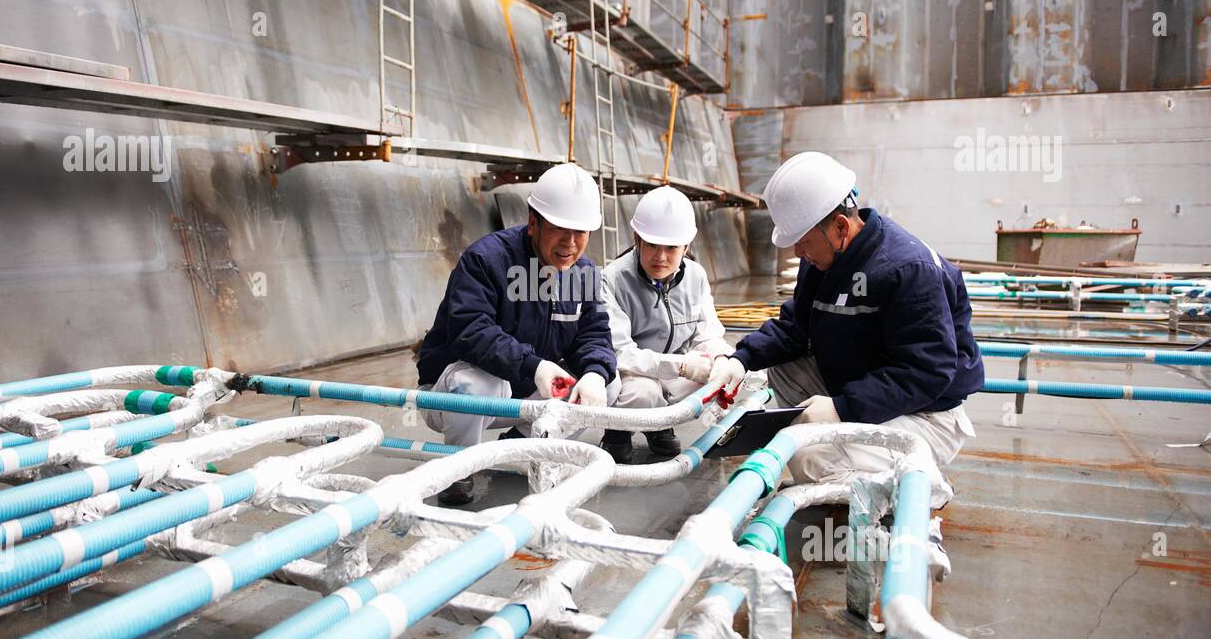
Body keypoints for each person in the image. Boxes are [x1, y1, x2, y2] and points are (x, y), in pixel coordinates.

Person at [712, 151, 984, 485]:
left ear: (841, 226)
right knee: (782, 367)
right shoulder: (822, 257)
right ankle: (844, 449)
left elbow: (927, 371)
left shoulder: (908, 270)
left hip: (926, 413)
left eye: (803, 242)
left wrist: (843, 407)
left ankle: (917, 482)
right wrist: (740, 360)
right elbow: (797, 328)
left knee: (808, 458)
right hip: (869, 388)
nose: (797, 253)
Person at [416, 162, 620, 504]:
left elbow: (594, 333)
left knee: (607, 385)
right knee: (480, 381)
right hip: (455, 398)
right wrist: (534, 366)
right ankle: (457, 469)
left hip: (525, 393)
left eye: (581, 232)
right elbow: (471, 330)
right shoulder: (486, 260)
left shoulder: (582, 273)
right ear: (533, 222)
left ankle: (520, 443)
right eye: (559, 229)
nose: (570, 243)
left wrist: (596, 373)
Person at [599, 186, 731, 464]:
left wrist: (719, 358)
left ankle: (657, 425)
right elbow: (620, 352)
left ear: (687, 246)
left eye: (671, 247)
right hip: (633, 375)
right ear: (637, 239)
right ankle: (618, 430)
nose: (661, 257)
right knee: (643, 394)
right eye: (652, 245)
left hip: (675, 370)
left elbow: (708, 333)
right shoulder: (612, 279)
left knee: (725, 375)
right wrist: (679, 366)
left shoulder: (696, 276)